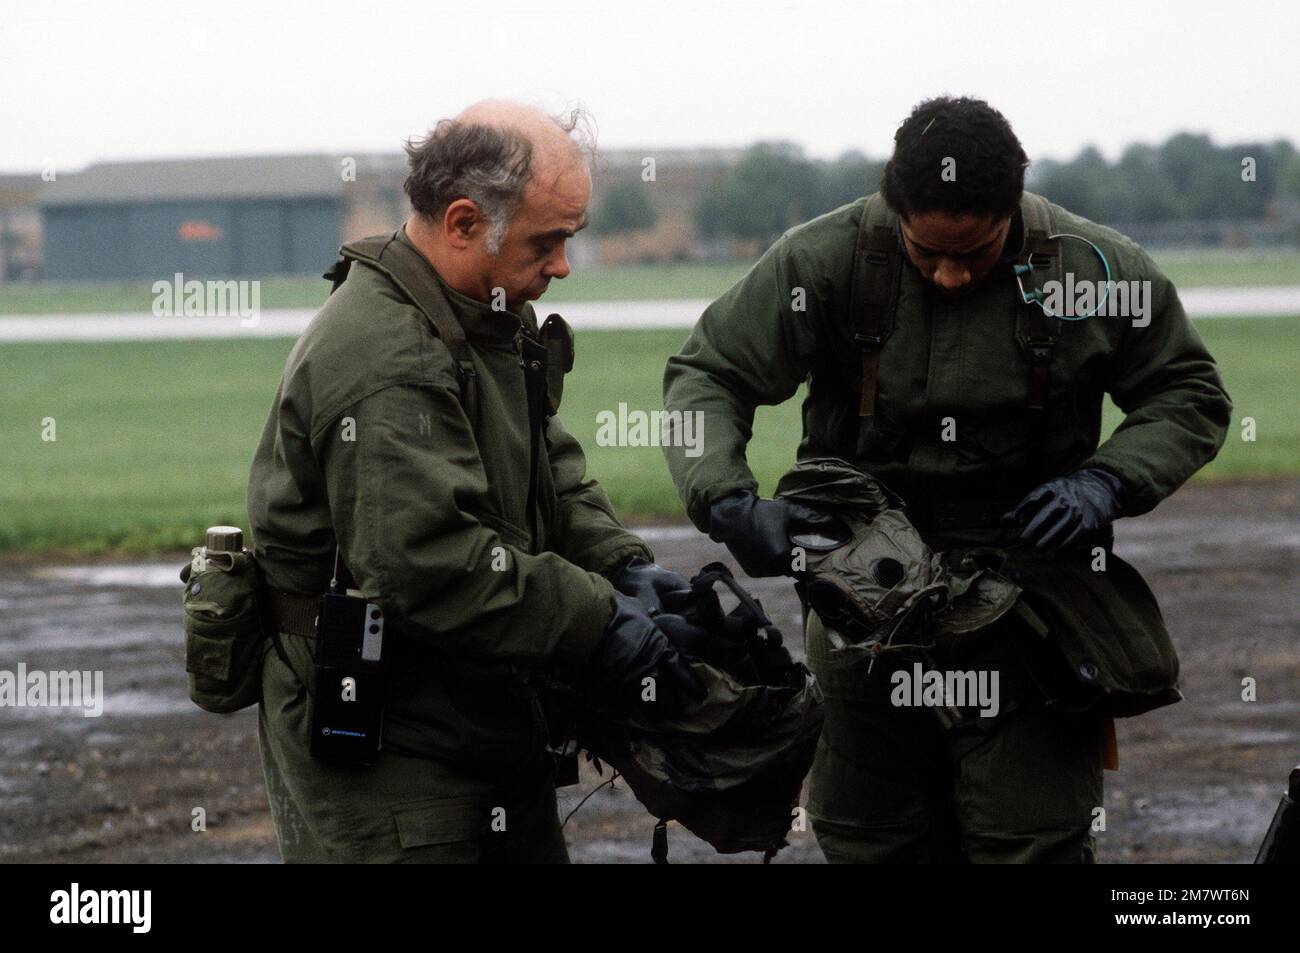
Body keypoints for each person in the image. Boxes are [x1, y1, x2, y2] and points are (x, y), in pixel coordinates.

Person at [661, 96, 1232, 863]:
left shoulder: (1096, 269)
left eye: (977, 251)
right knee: (872, 838)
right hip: (863, 595)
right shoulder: (824, 260)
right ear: (895, 207)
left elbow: (1189, 392)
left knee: (1031, 838)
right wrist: (728, 501)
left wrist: (1106, 481)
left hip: (1031, 597)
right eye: (928, 253)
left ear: (1014, 208)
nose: (952, 274)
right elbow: (709, 374)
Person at [247, 100, 696, 863]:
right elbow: (427, 567)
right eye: (547, 241)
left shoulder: (483, 313)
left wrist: (626, 566)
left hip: (480, 709)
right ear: (461, 223)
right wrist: (600, 619)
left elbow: (546, 461)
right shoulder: (386, 360)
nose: (560, 266)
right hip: (388, 744)